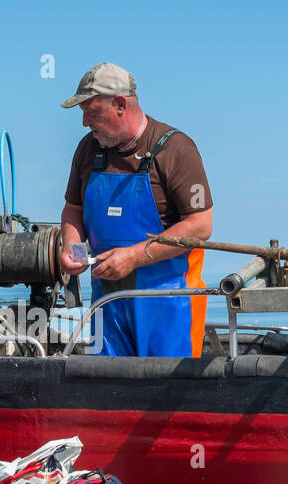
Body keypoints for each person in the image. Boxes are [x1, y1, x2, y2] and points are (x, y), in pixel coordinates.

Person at [57, 63, 214, 357]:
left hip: (168, 301)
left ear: (119, 105)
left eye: (91, 111)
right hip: (107, 300)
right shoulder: (88, 150)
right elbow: (72, 209)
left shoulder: (176, 149)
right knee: (108, 390)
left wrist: (133, 256)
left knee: (168, 393)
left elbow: (200, 226)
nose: (84, 122)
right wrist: (72, 245)